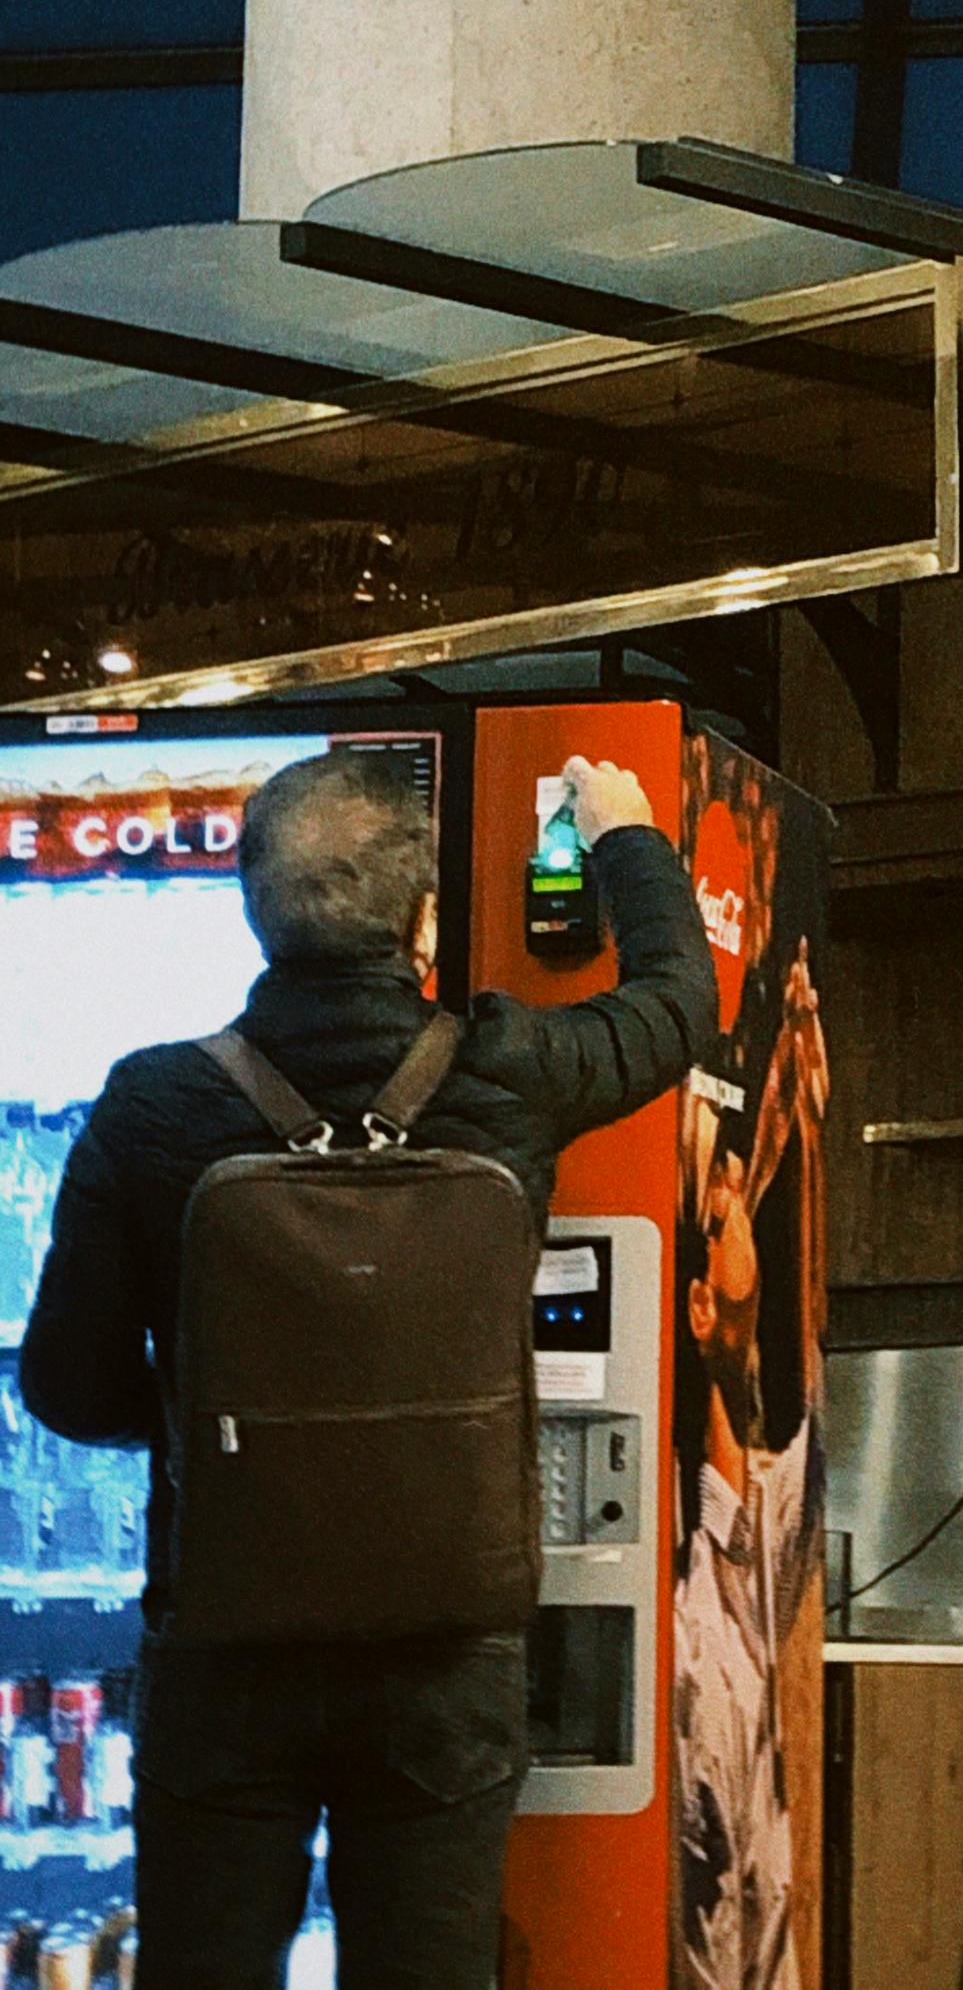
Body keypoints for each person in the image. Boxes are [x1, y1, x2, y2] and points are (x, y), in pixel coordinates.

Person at [19, 743, 719, 1990]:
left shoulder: (155, 1104)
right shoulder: (506, 1073)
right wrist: (621, 832)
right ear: (426, 919)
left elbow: (65, 1387)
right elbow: (678, 1006)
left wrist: (200, 1421)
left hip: (224, 1651)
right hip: (445, 1662)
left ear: (250, 907)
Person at [674, 942, 827, 1990]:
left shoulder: (751, 1520)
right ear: (693, 1310)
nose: (738, 1187)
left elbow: (805, 1355)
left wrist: (805, 1125)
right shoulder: (686, 1616)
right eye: (723, 1203)